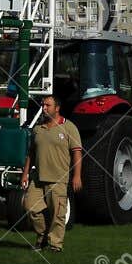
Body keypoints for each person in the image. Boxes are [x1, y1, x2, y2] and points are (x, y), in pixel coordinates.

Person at [21, 95, 82, 252]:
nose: (44, 108)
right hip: (37, 178)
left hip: (58, 179)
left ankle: (55, 245)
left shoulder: (69, 128)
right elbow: (31, 154)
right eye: (43, 105)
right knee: (30, 207)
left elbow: (77, 153)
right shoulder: (37, 129)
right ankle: (42, 237)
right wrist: (25, 174)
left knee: (57, 214)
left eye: (48, 105)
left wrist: (77, 176)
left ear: (57, 108)